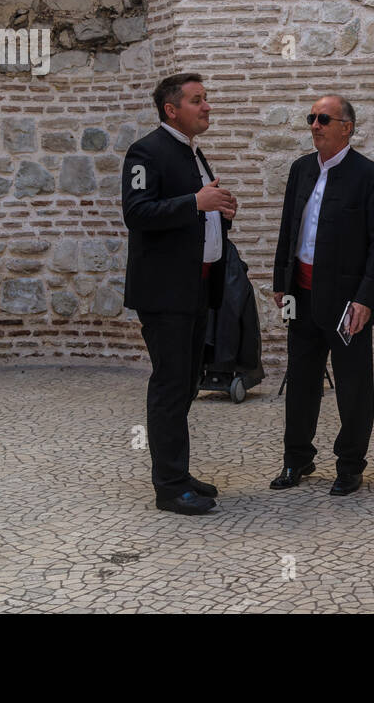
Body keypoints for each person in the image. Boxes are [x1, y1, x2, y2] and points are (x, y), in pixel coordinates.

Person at [122, 73, 238, 515]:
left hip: (196, 287)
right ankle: (169, 487)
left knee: (187, 383)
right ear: (171, 109)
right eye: (197, 100)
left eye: (206, 99)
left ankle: (180, 471)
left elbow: (198, 208)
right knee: (170, 386)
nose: (207, 106)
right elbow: (137, 212)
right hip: (165, 293)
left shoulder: (193, 151)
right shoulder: (146, 152)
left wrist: (219, 212)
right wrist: (196, 203)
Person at [270, 95, 374, 496]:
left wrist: (365, 300)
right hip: (301, 293)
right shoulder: (300, 169)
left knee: (353, 385)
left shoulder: (368, 176)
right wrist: (280, 282)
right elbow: (288, 227)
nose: (315, 125)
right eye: (312, 118)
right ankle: (296, 458)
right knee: (301, 380)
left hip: (345, 301)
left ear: (346, 127)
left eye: (324, 119)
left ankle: (350, 464)